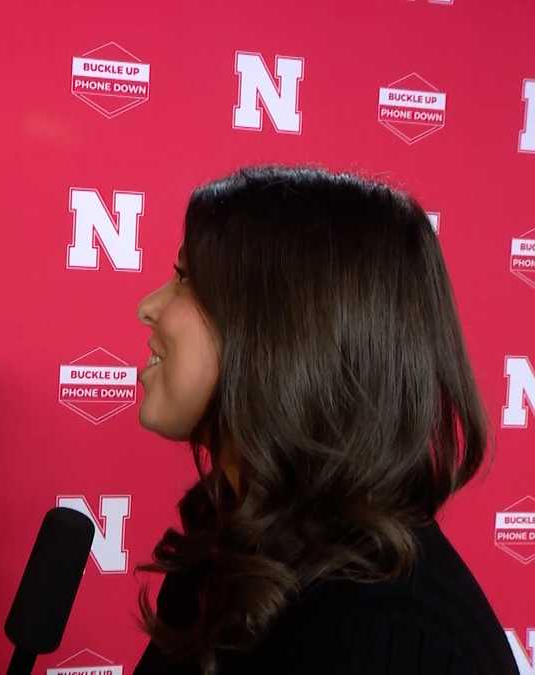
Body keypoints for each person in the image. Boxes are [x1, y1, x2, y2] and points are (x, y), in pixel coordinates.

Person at [131, 166, 518, 675]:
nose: (148, 307)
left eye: (185, 280)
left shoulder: (389, 633)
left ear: (282, 330)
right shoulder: (231, 542)